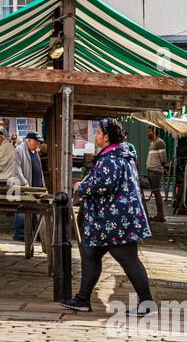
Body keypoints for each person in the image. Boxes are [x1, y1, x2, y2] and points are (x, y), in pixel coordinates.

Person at [64, 117, 154, 314]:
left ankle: (147, 304)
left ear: (106, 137)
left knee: (129, 261)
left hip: (115, 221)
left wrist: (82, 186)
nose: (96, 136)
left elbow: (102, 185)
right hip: (107, 222)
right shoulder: (120, 154)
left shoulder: (111, 158)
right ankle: (82, 299)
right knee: (90, 255)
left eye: (98, 133)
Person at [13, 131, 44, 241]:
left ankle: (37, 233)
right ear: (28, 140)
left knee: (35, 209)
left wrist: (42, 184)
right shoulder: (19, 150)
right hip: (24, 185)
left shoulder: (34, 151)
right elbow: (17, 169)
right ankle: (20, 234)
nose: (38, 144)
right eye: (36, 142)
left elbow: (38, 169)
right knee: (22, 208)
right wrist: (25, 183)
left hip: (35, 185)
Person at [145, 126, 168, 223]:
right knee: (155, 192)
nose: (147, 133)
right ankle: (159, 214)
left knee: (157, 192)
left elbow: (163, 159)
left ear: (154, 131)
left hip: (156, 171)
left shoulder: (160, 142)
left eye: (149, 131)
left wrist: (164, 168)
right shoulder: (152, 143)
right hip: (151, 170)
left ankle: (161, 215)